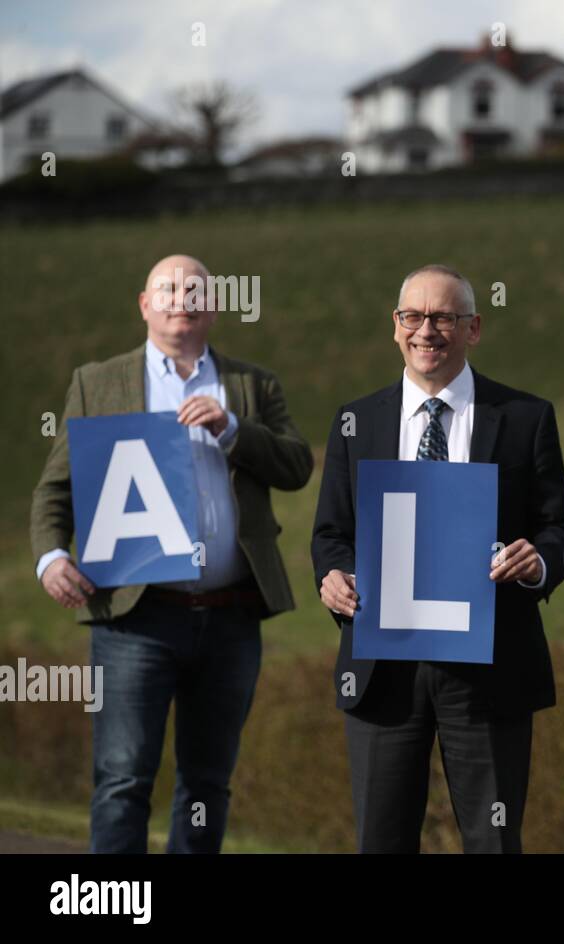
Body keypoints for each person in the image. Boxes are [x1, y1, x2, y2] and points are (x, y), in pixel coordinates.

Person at [30, 254, 314, 853]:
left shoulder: (251, 385)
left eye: (194, 289)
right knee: (123, 777)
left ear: (213, 307)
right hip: (136, 615)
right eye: (167, 288)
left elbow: (296, 466)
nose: (180, 297)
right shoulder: (98, 382)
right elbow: (56, 489)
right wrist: (52, 557)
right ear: (144, 304)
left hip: (232, 614)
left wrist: (234, 429)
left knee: (209, 782)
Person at [311, 264, 564, 853]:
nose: (426, 331)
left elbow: (557, 529)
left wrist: (537, 561)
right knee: (382, 841)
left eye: (443, 318)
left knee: (494, 842)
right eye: (413, 317)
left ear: (473, 328)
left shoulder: (527, 418)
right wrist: (331, 578)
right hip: (382, 666)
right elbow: (331, 532)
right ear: (395, 326)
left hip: (491, 664)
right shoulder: (357, 421)